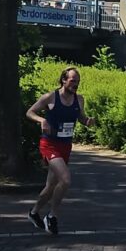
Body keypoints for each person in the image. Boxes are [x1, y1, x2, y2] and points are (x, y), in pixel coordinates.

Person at [27, 67, 96, 236]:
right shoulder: (50, 97)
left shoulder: (79, 99)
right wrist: (41, 120)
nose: (75, 84)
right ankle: (52, 216)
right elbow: (30, 112)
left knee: (50, 186)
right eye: (73, 81)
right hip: (49, 144)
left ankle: (34, 212)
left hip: (66, 145)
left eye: (78, 81)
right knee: (65, 180)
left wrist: (87, 121)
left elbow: (80, 117)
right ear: (63, 80)